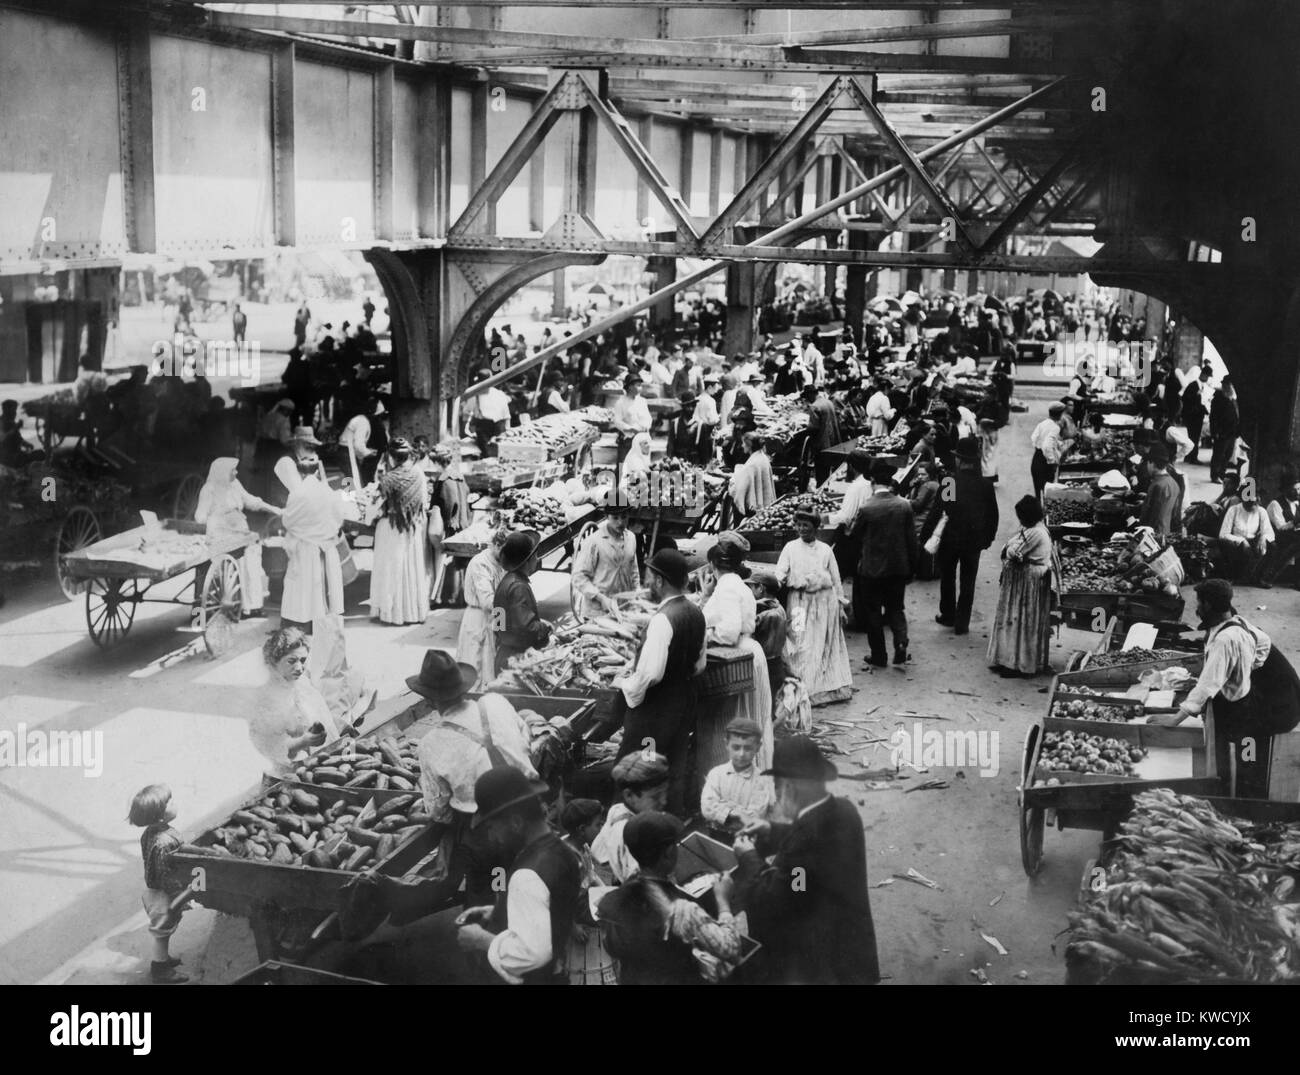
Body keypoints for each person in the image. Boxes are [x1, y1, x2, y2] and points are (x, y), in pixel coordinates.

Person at [729, 736, 880, 985]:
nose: (776, 796)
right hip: (853, 952)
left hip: (821, 966)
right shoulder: (845, 811)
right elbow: (813, 838)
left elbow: (786, 896)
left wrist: (749, 858)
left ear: (789, 787)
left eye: (777, 787)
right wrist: (772, 829)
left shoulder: (802, 852)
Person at [1151, 580, 1300, 799]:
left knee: (1235, 730)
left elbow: (1210, 686)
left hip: (1282, 708)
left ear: (1209, 605)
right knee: (1220, 708)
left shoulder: (1227, 638)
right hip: (1281, 694)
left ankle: (1245, 795)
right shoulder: (1233, 620)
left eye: (1199, 604)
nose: (1197, 609)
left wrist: (1174, 720)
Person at [454, 767, 580, 984]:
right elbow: (547, 911)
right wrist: (501, 909)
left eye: (493, 827)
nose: (492, 836)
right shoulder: (562, 851)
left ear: (516, 822)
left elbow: (532, 954)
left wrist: (481, 941)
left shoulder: (526, 876)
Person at [597, 812, 744, 985]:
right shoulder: (684, 909)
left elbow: (612, 946)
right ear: (668, 853)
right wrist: (723, 901)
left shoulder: (614, 898)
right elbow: (731, 949)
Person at [613, 549, 707, 816]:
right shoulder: (696, 612)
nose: (647, 582)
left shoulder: (663, 619)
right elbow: (700, 666)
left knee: (641, 771)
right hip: (682, 705)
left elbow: (651, 674)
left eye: (650, 576)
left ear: (660, 581)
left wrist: (625, 686)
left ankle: (631, 829)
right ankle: (670, 826)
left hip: (654, 715)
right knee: (672, 769)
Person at [702, 532, 774, 772]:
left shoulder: (728, 589)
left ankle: (743, 777)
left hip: (738, 656)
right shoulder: (735, 585)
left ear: (712, 565)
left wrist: (706, 634)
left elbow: (730, 632)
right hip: (748, 652)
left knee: (738, 718)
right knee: (750, 716)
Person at [776, 509, 853, 706]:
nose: (801, 529)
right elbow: (780, 573)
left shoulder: (825, 549)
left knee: (821, 643)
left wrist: (841, 605)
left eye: (806, 525)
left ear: (815, 527)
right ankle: (803, 687)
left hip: (823, 603)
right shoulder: (790, 548)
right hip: (799, 602)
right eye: (798, 525)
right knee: (799, 641)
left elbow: (836, 580)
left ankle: (822, 689)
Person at [851, 461, 918, 668]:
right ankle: (900, 643)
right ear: (890, 481)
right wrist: (911, 568)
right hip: (897, 569)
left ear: (872, 481)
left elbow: (854, 535)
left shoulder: (866, 508)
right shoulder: (904, 505)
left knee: (873, 612)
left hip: (871, 571)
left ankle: (879, 656)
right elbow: (912, 541)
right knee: (896, 608)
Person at [930, 438, 1000, 636]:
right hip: (974, 542)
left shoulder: (950, 482)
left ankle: (948, 614)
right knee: (968, 582)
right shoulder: (985, 485)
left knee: (948, 577)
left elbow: (941, 510)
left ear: (959, 460)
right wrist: (987, 539)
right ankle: (962, 622)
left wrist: (928, 536)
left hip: (950, 540)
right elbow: (992, 516)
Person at [195, 457, 279, 618]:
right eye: (233, 470)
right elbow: (200, 516)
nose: (236, 472)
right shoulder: (209, 489)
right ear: (222, 473)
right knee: (230, 566)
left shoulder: (234, 485)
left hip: (241, 532)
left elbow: (251, 501)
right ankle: (230, 605)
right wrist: (214, 518)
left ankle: (252, 607)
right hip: (222, 533)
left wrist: (272, 508)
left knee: (251, 561)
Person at [128, 784, 194, 984]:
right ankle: (160, 968)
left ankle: (163, 959)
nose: (175, 802)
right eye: (169, 802)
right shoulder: (163, 842)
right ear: (160, 816)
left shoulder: (152, 832)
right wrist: (183, 895)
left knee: (165, 930)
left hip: (156, 891)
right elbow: (167, 877)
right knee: (162, 933)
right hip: (162, 895)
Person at [988, 496, 1058, 678]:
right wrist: (1009, 547)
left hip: (1028, 582)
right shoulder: (1033, 528)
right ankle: (1009, 660)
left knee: (1020, 621)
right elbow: (1011, 546)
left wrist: (1009, 548)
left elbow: (1012, 551)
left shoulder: (1036, 532)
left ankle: (1018, 664)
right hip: (1023, 580)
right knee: (1015, 620)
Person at [251, 627, 338, 772]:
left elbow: (320, 714)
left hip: (314, 754)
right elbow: (268, 748)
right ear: (274, 662)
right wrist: (303, 742)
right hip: (286, 764)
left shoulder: (301, 683)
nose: (299, 668)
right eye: (291, 661)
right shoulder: (267, 698)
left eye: (302, 660)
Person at [275, 455, 345, 631]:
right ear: (316, 470)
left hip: (304, 546)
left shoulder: (297, 493)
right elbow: (338, 517)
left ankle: (301, 620)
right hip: (324, 546)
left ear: (300, 472)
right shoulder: (328, 491)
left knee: (303, 585)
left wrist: (304, 530)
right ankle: (323, 620)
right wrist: (324, 531)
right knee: (321, 584)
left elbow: (288, 521)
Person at [368, 439, 429, 625]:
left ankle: (390, 613)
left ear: (392, 457)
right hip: (412, 528)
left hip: (391, 528)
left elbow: (374, 508)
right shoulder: (419, 474)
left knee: (390, 570)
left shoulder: (388, 479)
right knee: (410, 569)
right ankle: (413, 612)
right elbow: (423, 502)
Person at [591, 752, 670, 884]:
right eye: (655, 797)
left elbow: (597, 849)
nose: (664, 801)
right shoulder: (634, 835)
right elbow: (643, 884)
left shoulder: (617, 809)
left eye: (665, 793)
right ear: (629, 795)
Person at [699, 717, 775, 835]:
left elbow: (754, 817)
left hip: (746, 838)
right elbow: (707, 808)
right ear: (726, 744)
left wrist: (723, 808)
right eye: (736, 747)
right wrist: (738, 812)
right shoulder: (716, 774)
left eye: (748, 748)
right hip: (715, 834)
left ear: (758, 747)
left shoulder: (762, 780)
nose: (741, 754)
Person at [493, 530, 552, 673]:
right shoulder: (519, 587)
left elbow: (499, 625)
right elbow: (526, 629)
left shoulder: (505, 582)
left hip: (504, 654)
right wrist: (545, 628)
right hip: (518, 661)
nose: (537, 560)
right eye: (535, 556)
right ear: (527, 561)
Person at [457, 528, 510, 683]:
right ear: (496, 546)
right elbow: (488, 601)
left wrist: (501, 630)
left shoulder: (501, 563)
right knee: (476, 663)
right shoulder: (480, 564)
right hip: (478, 617)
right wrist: (509, 609)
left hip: (494, 616)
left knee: (492, 661)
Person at [571, 502, 639, 619]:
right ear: (607, 516)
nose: (620, 522)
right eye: (615, 518)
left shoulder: (631, 538)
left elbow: (633, 571)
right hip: (597, 612)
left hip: (623, 609)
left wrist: (637, 593)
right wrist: (600, 597)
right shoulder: (594, 541)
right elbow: (578, 577)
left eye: (624, 517)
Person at [1219, 485, 1274, 583]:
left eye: (1255, 501)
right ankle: (1232, 577)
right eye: (1249, 502)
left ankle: (1260, 578)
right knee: (1228, 545)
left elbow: (1269, 532)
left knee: (1272, 545)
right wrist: (1242, 541)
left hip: (1254, 541)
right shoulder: (1234, 510)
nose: (1253, 504)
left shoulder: (1261, 511)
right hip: (1237, 542)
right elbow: (1223, 534)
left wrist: (1263, 538)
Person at [1260, 467, 1300, 589]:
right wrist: (1295, 522)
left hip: (1294, 537)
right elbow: (1280, 527)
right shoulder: (1275, 504)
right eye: (1296, 489)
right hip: (1278, 536)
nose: (1299, 492)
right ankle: (1269, 575)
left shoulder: (1297, 503)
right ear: (1286, 489)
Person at [729, 433, 776, 522]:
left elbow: (741, 488)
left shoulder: (752, 464)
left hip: (753, 508)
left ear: (749, 446)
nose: (742, 446)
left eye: (743, 443)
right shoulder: (763, 457)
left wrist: (732, 483)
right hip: (764, 502)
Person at [465, 370, 512, 457]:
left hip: (484, 428)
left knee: (487, 454)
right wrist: (507, 430)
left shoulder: (474, 395)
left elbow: (466, 413)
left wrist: (469, 429)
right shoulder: (500, 394)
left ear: (478, 381)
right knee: (500, 454)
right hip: (499, 427)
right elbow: (507, 416)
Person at [803, 384, 842, 484]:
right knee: (828, 472)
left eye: (807, 397)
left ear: (810, 395)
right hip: (833, 442)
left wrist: (805, 429)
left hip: (821, 445)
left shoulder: (815, 406)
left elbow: (814, 427)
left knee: (821, 475)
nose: (807, 400)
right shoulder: (828, 402)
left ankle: (821, 492)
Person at [612, 374, 652, 468]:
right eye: (638, 385)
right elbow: (617, 421)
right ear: (630, 387)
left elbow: (648, 418)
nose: (640, 388)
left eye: (640, 385)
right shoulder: (620, 402)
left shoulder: (642, 401)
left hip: (642, 438)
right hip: (628, 439)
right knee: (625, 466)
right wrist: (630, 429)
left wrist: (645, 426)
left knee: (642, 465)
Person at [1030, 402, 1068, 500]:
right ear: (1059, 414)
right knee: (1048, 493)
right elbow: (1047, 446)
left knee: (1038, 492)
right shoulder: (1055, 428)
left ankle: (1038, 511)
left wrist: (1040, 447)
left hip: (1036, 458)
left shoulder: (1042, 423)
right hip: (1045, 463)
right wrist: (1052, 461)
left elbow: (1034, 438)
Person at [339, 399, 380, 484]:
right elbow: (358, 445)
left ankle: (349, 495)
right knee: (354, 483)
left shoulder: (360, 419)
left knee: (350, 480)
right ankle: (350, 496)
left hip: (346, 451)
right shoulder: (362, 422)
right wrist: (369, 453)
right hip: (347, 452)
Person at [1209, 376, 1239, 482]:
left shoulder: (1233, 398)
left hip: (1232, 432)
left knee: (1228, 454)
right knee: (1218, 454)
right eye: (1225, 385)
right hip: (1222, 432)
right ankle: (1215, 475)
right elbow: (1213, 417)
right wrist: (1214, 432)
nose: (1227, 387)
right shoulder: (1218, 398)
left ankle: (1222, 474)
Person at [1182, 368, 1210, 464]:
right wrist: (1195, 396)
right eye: (1206, 376)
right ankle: (1193, 458)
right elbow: (1185, 398)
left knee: (1194, 437)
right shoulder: (1193, 385)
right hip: (1192, 416)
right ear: (1202, 374)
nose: (1207, 378)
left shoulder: (1202, 386)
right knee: (1193, 437)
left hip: (1198, 415)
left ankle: (1189, 456)